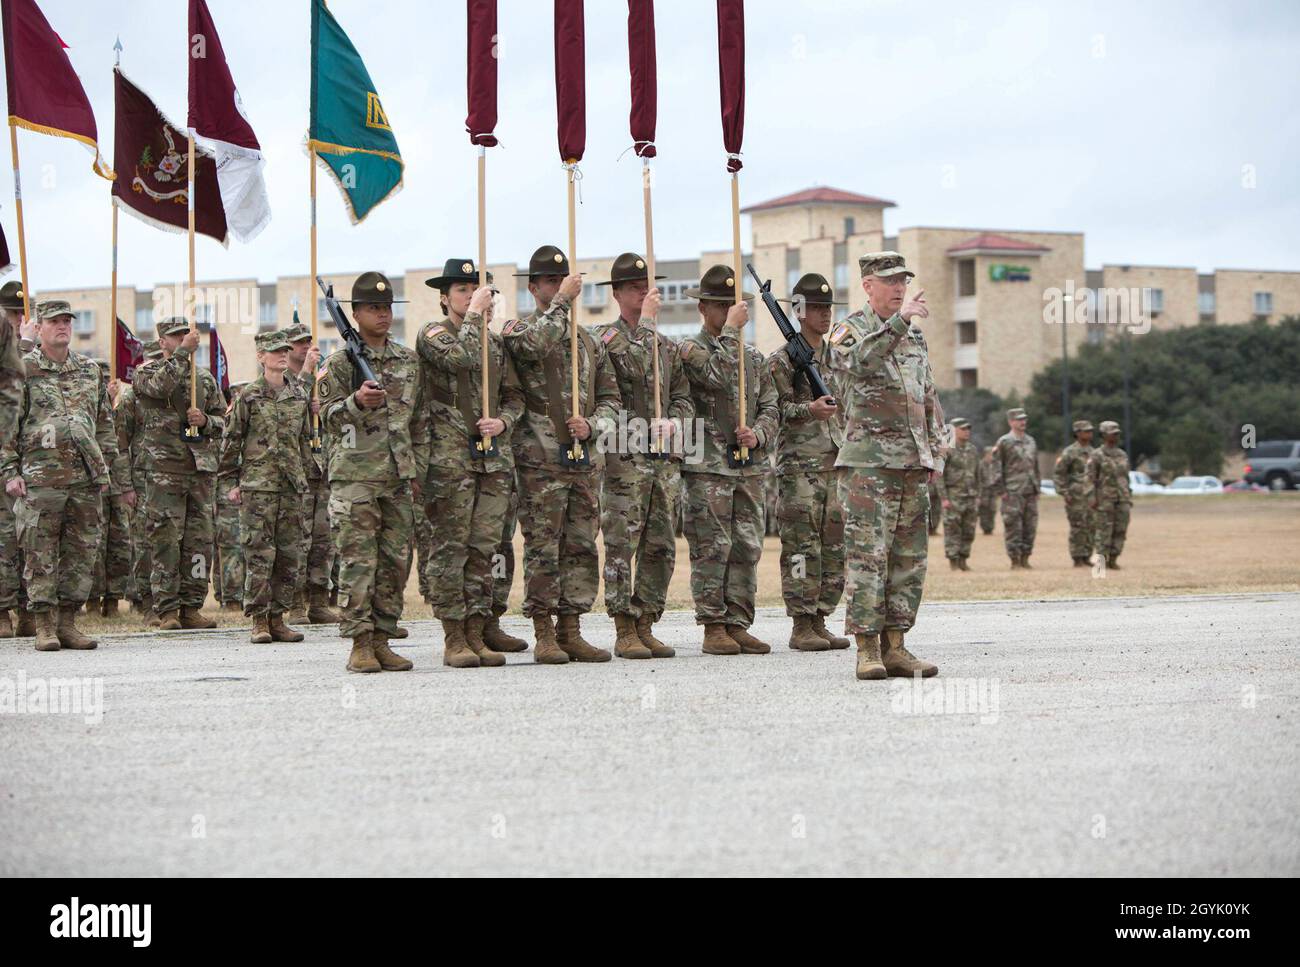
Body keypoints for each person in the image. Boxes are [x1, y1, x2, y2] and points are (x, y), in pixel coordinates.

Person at [827, 252, 941, 681]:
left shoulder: (914, 337)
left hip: (912, 464)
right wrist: (897, 324)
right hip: (868, 466)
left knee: (908, 559)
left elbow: (926, 395)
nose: (899, 288)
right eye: (889, 281)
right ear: (868, 286)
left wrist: (934, 450)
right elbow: (856, 364)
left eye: (903, 281)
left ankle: (897, 645)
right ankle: (867, 649)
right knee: (867, 558)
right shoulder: (849, 331)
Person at [504, 252, 620, 664]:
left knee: (582, 546)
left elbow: (611, 399)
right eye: (548, 281)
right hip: (540, 460)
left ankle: (572, 627)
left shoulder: (588, 341)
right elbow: (533, 346)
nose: (557, 286)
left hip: (584, 461)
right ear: (533, 288)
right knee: (543, 546)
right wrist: (560, 305)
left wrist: (594, 425)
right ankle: (543, 630)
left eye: (562, 280)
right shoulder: (518, 329)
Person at [316, 272, 430, 673]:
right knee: (358, 562)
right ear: (356, 313)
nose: (382, 315)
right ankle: (360, 644)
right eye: (372, 308)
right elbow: (325, 418)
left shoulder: (407, 361)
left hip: (397, 476)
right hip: (355, 477)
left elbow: (418, 421)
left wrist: (418, 470)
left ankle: (383, 637)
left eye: (386, 307)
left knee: (395, 563)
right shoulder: (340, 362)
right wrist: (355, 402)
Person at [0, 301, 130, 651]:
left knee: (81, 553)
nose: (63, 327)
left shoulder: (89, 371)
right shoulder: (23, 370)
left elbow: (104, 423)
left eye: (67, 321)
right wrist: (10, 471)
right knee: (39, 553)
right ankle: (43, 624)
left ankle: (68, 623)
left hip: (85, 479)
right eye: (54, 321)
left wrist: (107, 468)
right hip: (41, 479)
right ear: (38, 327)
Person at [417, 258, 525, 668]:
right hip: (450, 458)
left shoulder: (495, 343)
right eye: (463, 290)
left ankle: (479, 630)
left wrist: (504, 421)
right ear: (445, 298)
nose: (476, 296)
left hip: (492, 460)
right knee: (450, 548)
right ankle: (454, 635)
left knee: (485, 547)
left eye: (481, 291)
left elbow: (515, 396)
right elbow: (458, 359)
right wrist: (477, 316)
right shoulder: (433, 334)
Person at [591, 252, 692, 659]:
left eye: (646, 286)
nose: (643, 293)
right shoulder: (606, 339)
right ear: (616, 293)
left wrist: (675, 421)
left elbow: (683, 395)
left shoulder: (666, 347)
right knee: (622, 544)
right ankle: (622, 626)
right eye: (634, 287)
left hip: (662, 461)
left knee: (661, 545)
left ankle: (647, 620)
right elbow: (632, 365)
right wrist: (648, 322)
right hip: (625, 456)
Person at [678, 264, 779, 656]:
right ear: (703, 308)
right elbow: (715, 375)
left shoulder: (753, 357)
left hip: (747, 466)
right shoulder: (691, 349)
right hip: (709, 467)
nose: (727, 312)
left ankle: (739, 620)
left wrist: (760, 433)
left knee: (747, 546)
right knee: (711, 546)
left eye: (732, 305)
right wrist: (733, 332)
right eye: (719, 305)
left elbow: (769, 403)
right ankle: (713, 624)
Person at [766, 272, 848, 651]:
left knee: (834, 545)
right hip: (800, 467)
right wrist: (807, 409)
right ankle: (801, 623)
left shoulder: (837, 356)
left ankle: (821, 618)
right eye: (816, 308)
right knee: (801, 547)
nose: (824, 314)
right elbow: (773, 410)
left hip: (836, 463)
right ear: (798, 312)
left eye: (828, 308)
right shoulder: (781, 361)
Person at [219, 331, 313, 643]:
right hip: (258, 486)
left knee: (288, 554)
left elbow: (304, 441)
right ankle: (259, 620)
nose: (282, 355)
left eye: (285, 350)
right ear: (261, 357)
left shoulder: (299, 393)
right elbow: (231, 441)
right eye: (275, 351)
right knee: (259, 553)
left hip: (291, 485)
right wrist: (232, 482)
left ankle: (278, 618)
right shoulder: (248, 395)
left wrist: (307, 477)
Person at [133, 317, 225, 628]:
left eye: (186, 335)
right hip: (163, 470)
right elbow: (159, 388)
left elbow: (223, 420)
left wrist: (206, 422)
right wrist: (183, 354)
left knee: (199, 543)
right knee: (166, 540)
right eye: (175, 336)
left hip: (199, 469)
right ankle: (167, 608)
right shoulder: (147, 373)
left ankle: (191, 606)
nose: (183, 339)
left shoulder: (205, 380)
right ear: (163, 342)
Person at [282, 321, 338, 624]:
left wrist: (322, 408)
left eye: (307, 342)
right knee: (297, 539)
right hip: (298, 468)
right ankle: (295, 604)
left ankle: (319, 601)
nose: (305, 347)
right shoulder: (281, 379)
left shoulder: (318, 379)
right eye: (298, 343)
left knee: (322, 539)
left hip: (322, 466)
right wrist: (306, 379)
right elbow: (288, 412)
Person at [114, 341, 164, 625]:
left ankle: (174, 603)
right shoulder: (133, 396)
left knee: (173, 543)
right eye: (152, 360)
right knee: (145, 545)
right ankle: (147, 604)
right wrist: (126, 485)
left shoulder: (183, 391)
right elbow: (121, 444)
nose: (156, 366)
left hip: (174, 478)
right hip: (143, 481)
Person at [0, 280, 30, 638]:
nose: (17, 318)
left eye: (21, 313)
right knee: (5, 536)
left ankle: (28, 610)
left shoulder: (29, 349)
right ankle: (3, 612)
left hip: (29, 457)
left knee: (29, 537)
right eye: (12, 312)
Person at [992, 407, 1039, 569]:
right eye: (1019, 419)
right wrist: (1002, 491)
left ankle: (1026, 558)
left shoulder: (1031, 441)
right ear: (1011, 422)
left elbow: (1035, 466)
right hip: (1012, 491)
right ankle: (1015, 560)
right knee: (1013, 526)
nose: (1023, 422)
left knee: (1030, 526)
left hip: (1030, 490)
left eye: (1024, 419)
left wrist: (1037, 487)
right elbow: (997, 467)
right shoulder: (1004, 442)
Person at [1088, 420, 1132, 569]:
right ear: (1103, 435)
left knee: (1120, 530)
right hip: (1105, 499)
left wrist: (1128, 495)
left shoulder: (1122, 454)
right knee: (1103, 532)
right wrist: (1092, 498)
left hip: (1123, 498)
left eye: (1117, 434)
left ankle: (1113, 559)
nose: (1115, 436)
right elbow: (1089, 479)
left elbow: (1126, 477)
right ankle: (1100, 564)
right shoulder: (1097, 455)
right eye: (1112, 434)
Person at [936, 417, 979, 570]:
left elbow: (977, 474)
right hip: (953, 497)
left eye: (968, 429)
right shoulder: (946, 449)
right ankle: (953, 562)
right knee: (952, 530)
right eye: (963, 429)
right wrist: (944, 498)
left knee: (969, 530)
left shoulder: (972, 450)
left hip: (970, 496)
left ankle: (963, 560)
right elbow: (939, 476)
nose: (967, 432)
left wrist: (978, 495)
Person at [1053, 419, 1096, 567]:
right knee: (1078, 527)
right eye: (1086, 431)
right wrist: (1064, 492)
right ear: (1077, 433)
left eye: (1091, 431)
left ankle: (1087, 556)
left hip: (1091, 497)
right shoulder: (1069, 452)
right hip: (1075, 497)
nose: (1090, 434)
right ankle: (1077, 558)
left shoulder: (1094, 453)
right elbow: (1059, 473)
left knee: (1091, 526)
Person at [977, 445, 998, 535]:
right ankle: (985, 528)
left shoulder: (994, 465)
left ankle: (991, 527)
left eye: (992, 455)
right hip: (984, 491)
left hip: (992, 491)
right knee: (984, 510)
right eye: (989, 455)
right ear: (985, 455)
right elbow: (978, 479)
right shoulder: (980, 465)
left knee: (992, 509)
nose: (991, 457)